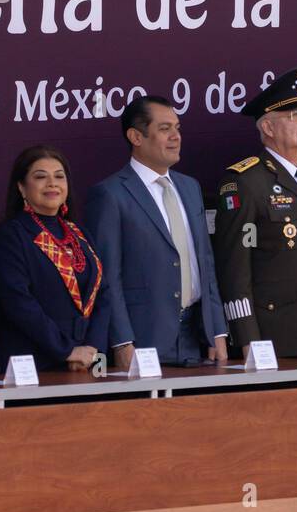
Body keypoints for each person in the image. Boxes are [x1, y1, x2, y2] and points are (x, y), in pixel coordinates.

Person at [213, 70, 297, 358]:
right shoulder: (246, 182)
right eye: (293, 115)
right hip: (275, 338)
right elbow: (235, 269)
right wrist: (247, 339)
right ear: (268, 127)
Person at [85, 95, 226, 368]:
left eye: (177, 128)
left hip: (196, 337)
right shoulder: (110, 194)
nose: (176, 136)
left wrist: (217, 330)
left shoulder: (190, 187)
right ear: (136, 137)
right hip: (143, 338)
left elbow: (205, 263)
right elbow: (107, 276)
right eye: (164, 129)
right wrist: (122, 341)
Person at [0, 145, 108, 373]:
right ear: (22, 187)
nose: (52, 183)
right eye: (40, 177)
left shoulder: (80, 233)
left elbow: (103, 294)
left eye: (59, 176)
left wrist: (92, 348)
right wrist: (67, 350)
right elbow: (17, 302)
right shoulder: (11, 235)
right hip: (36, 362)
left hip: (89, 360)